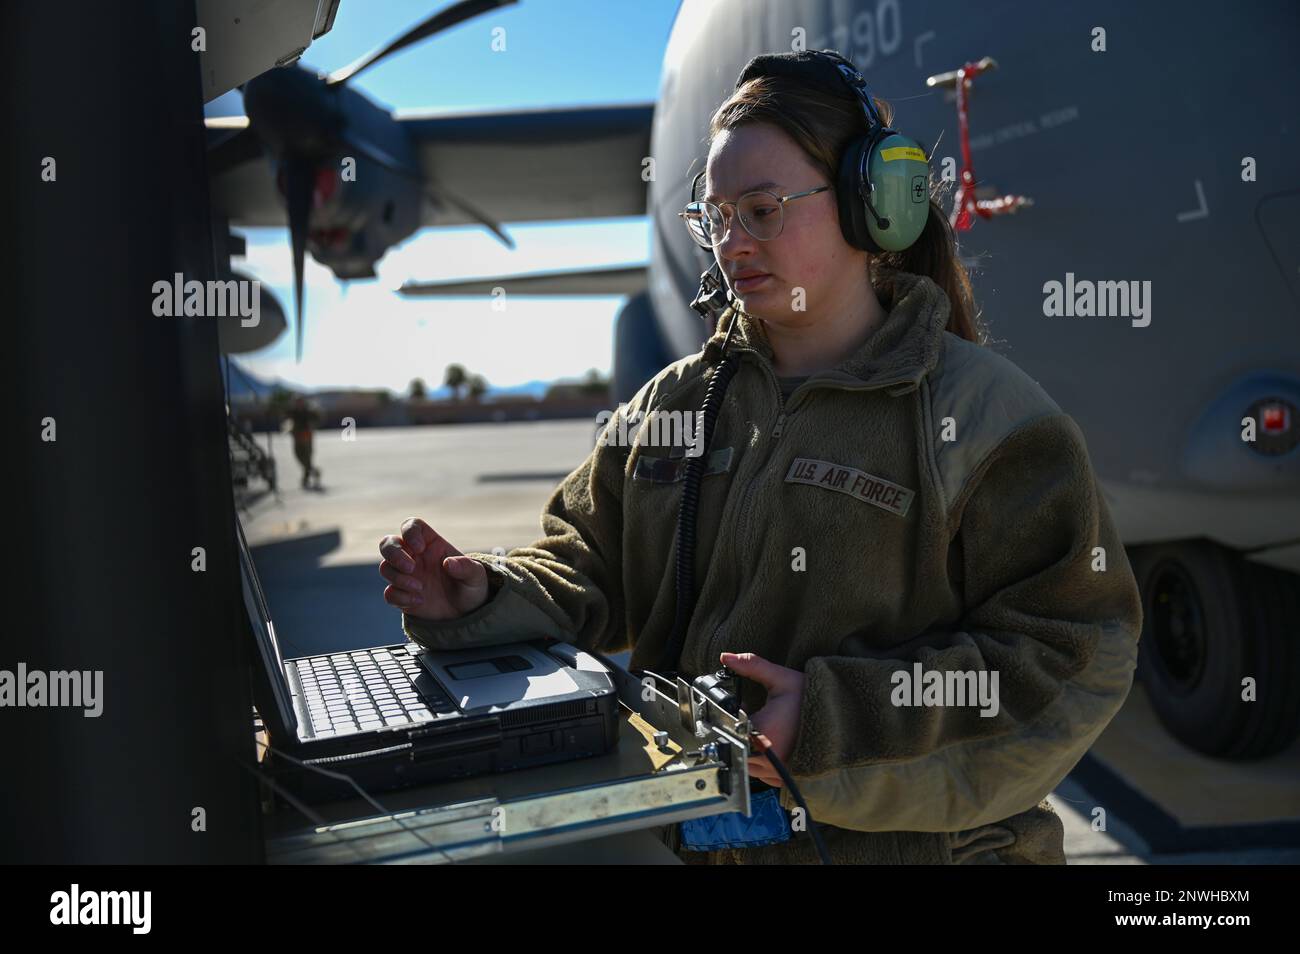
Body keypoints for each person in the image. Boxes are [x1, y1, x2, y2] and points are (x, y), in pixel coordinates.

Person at [378, 50, 1142, 865]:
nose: (732, 242)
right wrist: (489, 591)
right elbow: (590, 561)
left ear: (869, 204)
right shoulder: (672, 406)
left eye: (764, 210)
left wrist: (829, 722)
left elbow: (1071, 656)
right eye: (716, 216)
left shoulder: (984, 416)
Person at [284, 396, 321, 489]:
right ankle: (315, 472)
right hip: (297, 437)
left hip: (307, 437)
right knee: (298, 455)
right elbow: (286, 420)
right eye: (297, 402)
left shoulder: (309, 411)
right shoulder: (292, 412)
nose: (298, 404)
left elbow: (318, 419)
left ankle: (305, 479)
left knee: (307, 458)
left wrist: (315, 413)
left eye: (300, 402)